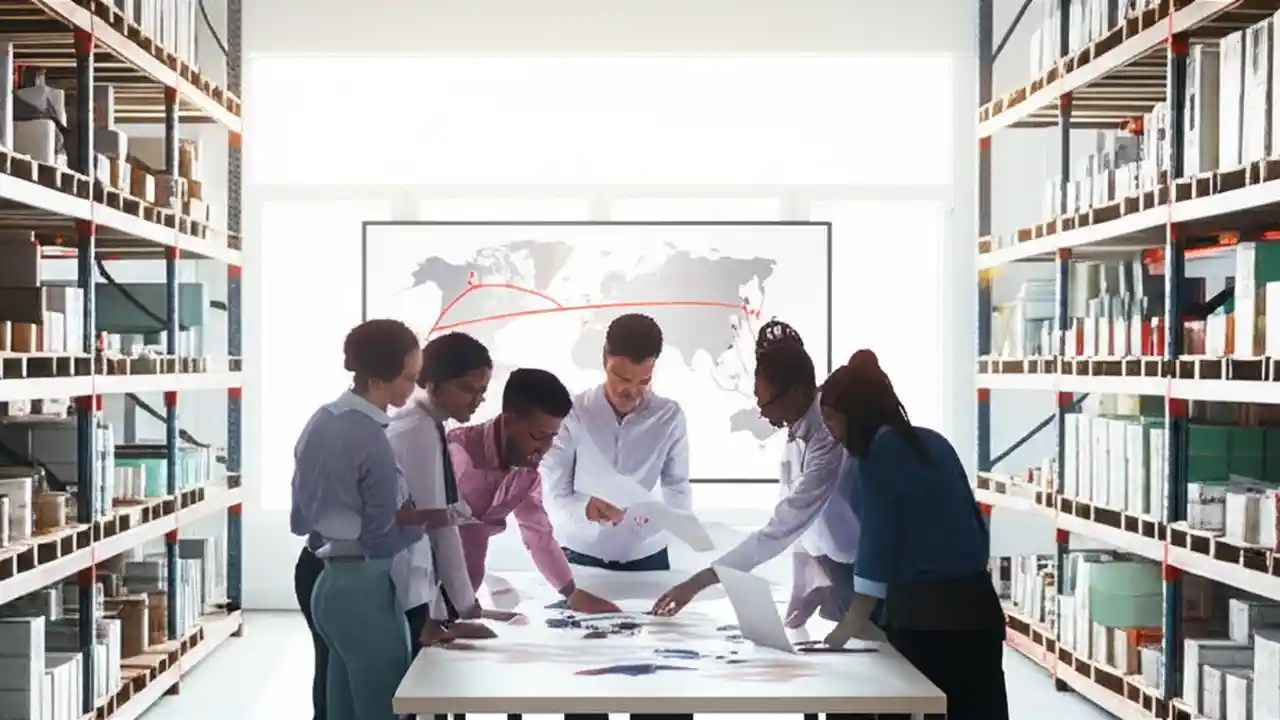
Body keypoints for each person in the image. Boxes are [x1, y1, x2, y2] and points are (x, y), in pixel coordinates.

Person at [820, 349, 1009, 720]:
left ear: (853, 414)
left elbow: (876, 548)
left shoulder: (877, 456)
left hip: (926, 624)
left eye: (829, 417)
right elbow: (977, 532)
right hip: (980, 611)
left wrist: (845, 630)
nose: (828, 429)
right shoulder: (934, 442)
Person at [652, 320, 857, 624]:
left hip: (857, 572)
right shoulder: (796, 433)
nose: (763, 412)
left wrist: (699, 582)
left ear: (797, 392)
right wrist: (803, 590)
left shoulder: (828, 437)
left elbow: (785, 524)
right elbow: (798, 527)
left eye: (767, 402)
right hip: (830, 571)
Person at [291, 319, 441, 720]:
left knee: (340, 709)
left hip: (327, 584)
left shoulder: (322, 419)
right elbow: (379, 538)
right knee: (384, 709)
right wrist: (426, 520)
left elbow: (301, 517)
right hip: (366, 591)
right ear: (378, 378)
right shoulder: (371, 437)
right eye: (408, 377)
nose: (413, 387)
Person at [448, 368, 620, 612]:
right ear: (508, 421)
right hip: (425, 593)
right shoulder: (457, 455)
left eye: (552, 437)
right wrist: (449, 603)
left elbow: (538, 533)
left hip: (460, 598)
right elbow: (433, 535)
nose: (546, 448)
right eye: (539, 435)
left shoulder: (526, 473)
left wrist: (571, 593)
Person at [541, 313, 691, 572]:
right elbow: (553, 491)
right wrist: (585, 510)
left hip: (648, 556)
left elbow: (678, 490)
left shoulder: (669, 417)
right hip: (580, 553)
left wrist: (648, 522)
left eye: (643, 381)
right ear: (604, 360)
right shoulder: (573, 412)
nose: (632, 392)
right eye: (622, 378)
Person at [386, 331, 493, 653]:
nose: (476, 400)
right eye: (466, 389)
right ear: (433, 384)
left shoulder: (425, 422)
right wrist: (466, 605)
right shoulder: (419, 430)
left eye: (482, 391)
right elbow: (437, 526)